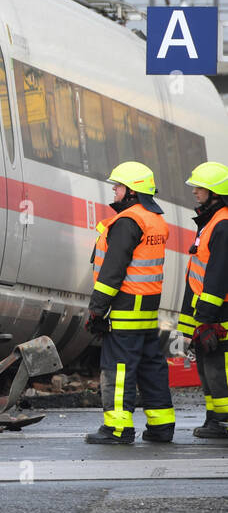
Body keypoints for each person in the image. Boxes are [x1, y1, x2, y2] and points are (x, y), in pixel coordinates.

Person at [84, 161, 176, 445]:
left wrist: (97, 309)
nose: (114, 189)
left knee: (119, 366)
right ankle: (162, 426)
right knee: (151, 364)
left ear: (132, 192)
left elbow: (113, 270)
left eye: (119, 185)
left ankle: (118, 428)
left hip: (125, 307)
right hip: (147, 307)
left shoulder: (128, 222)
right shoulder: (155, 219)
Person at [178, 161, 228, 438]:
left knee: (220, 370)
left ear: (215, 193)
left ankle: (223, 421)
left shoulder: (222, 226)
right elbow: (195, 278)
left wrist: (207, 320)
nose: (195, 192)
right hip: (209, 315)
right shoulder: (210, 224)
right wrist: (188, 328)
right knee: (210, 369)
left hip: (220, 315)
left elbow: (218, 277)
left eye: (201, 187)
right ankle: (215, 419)